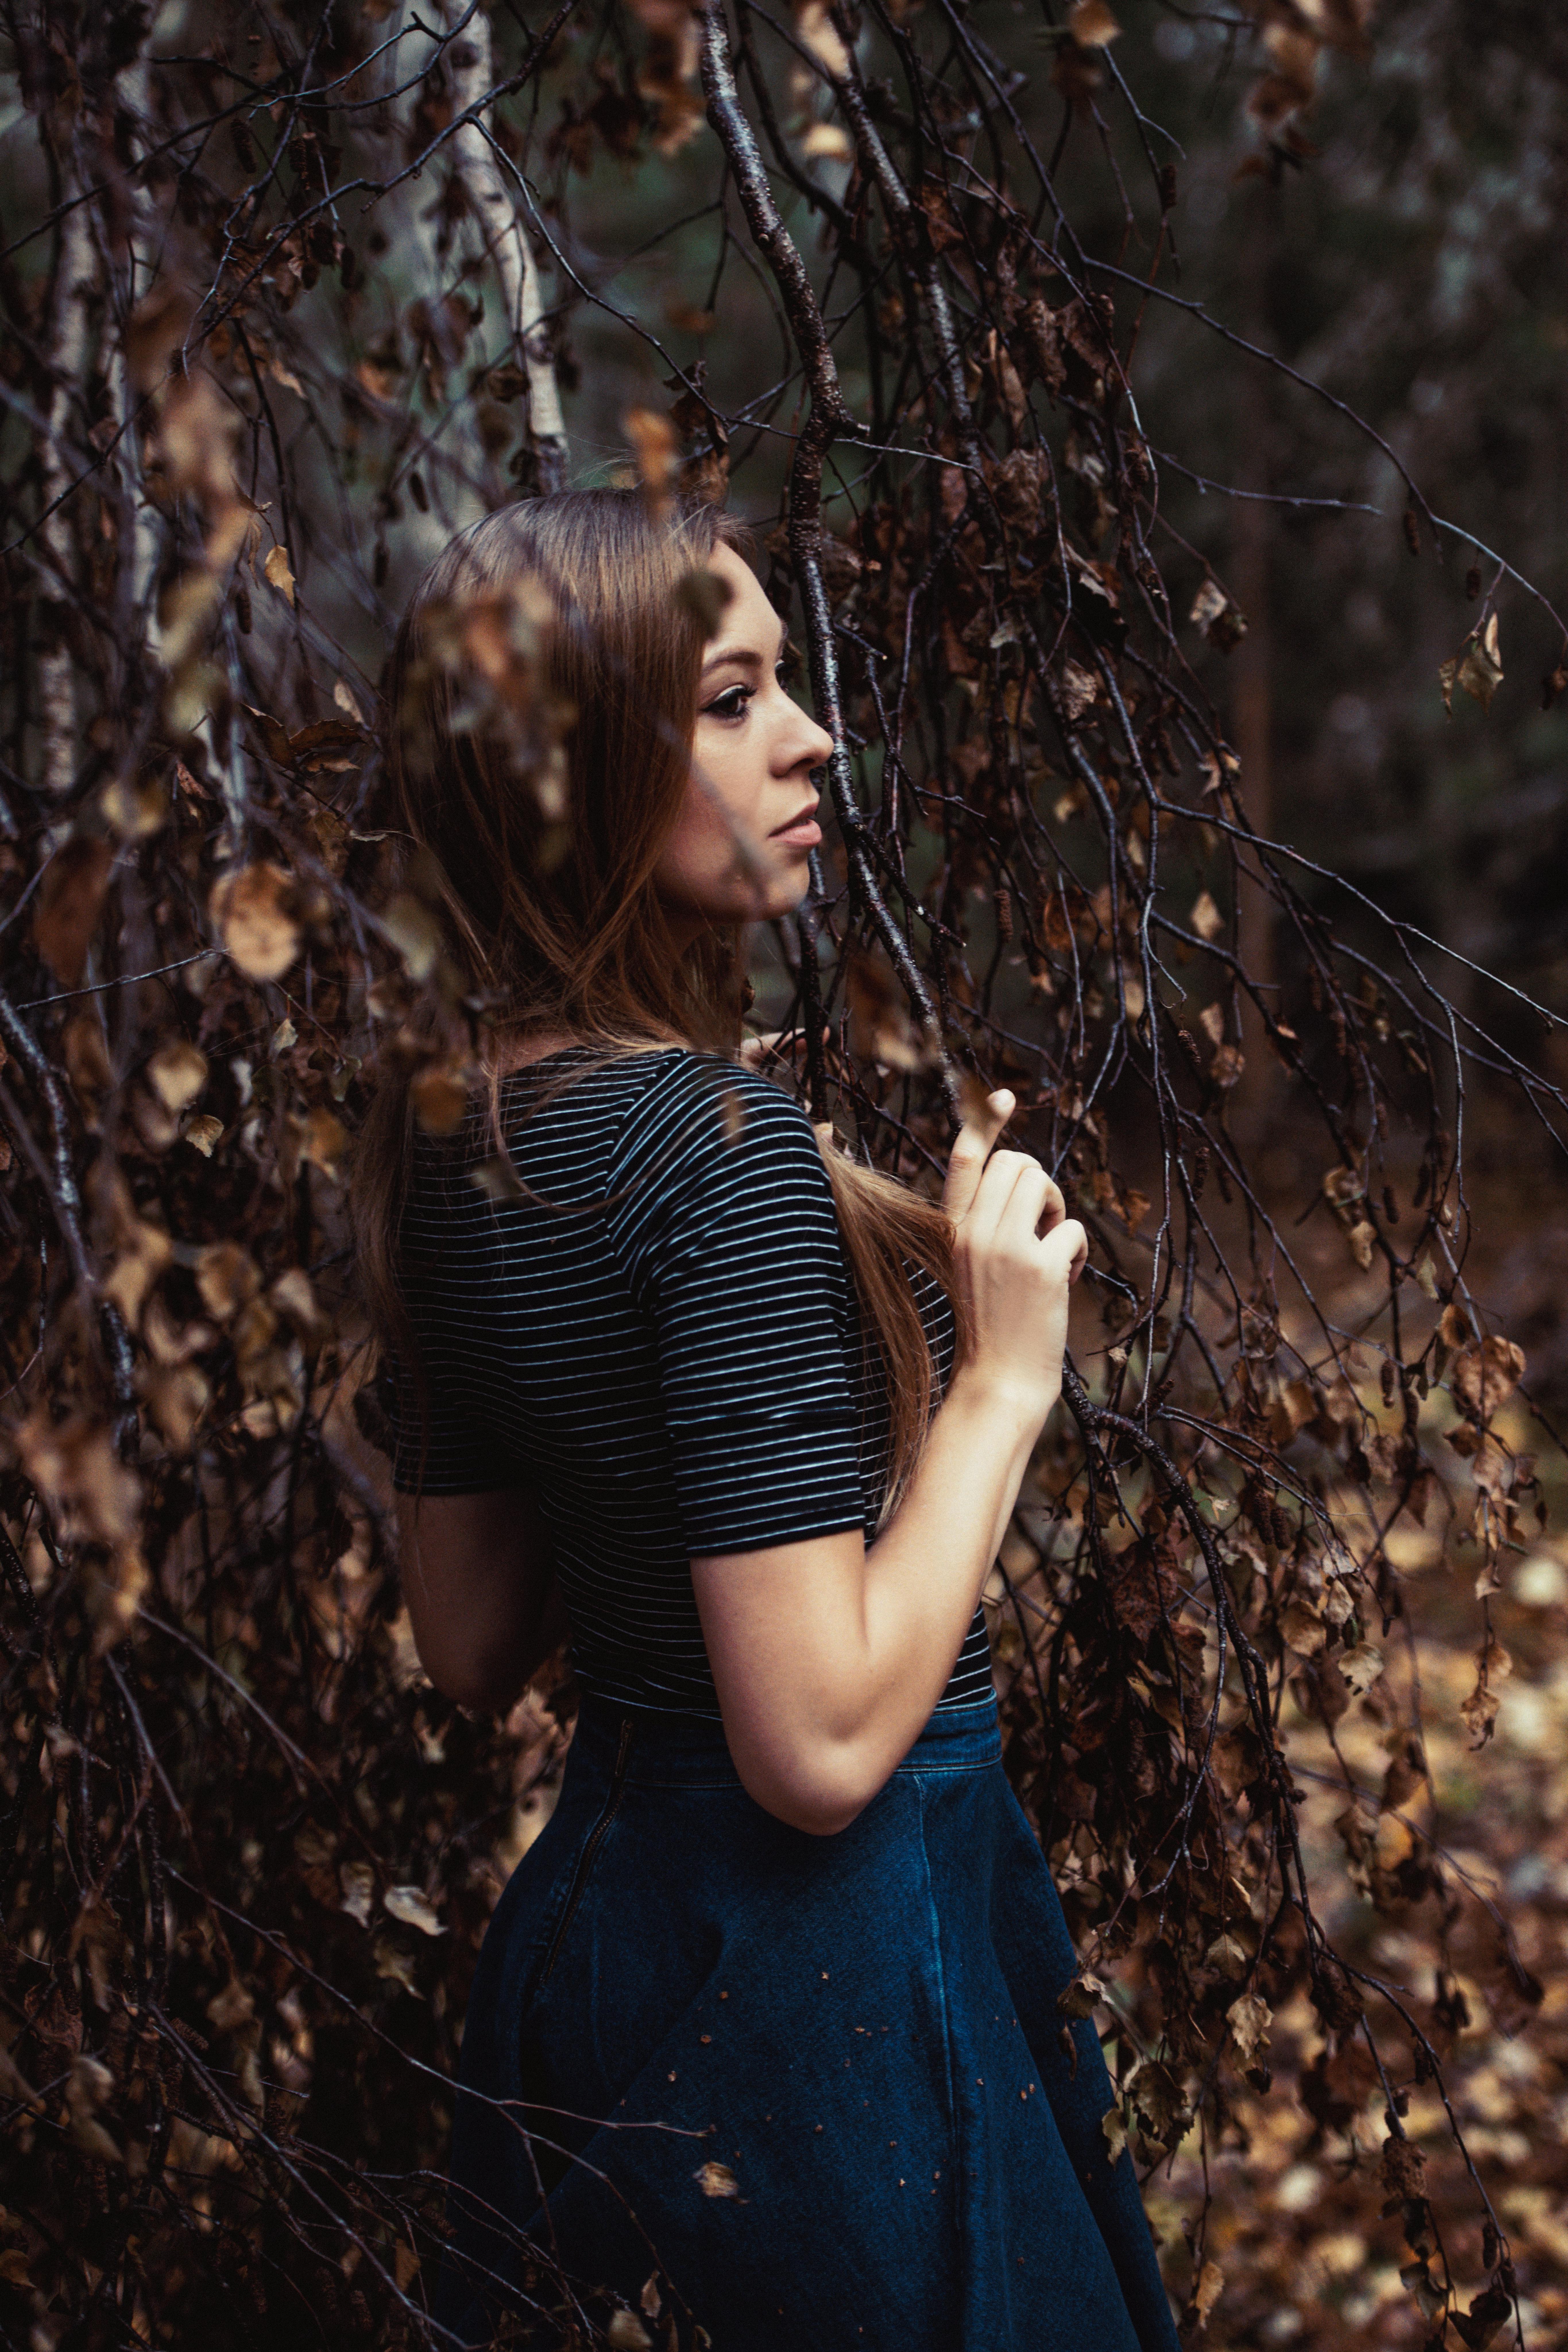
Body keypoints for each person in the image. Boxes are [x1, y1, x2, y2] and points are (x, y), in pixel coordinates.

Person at [354, 489, 1180, 2351]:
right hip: (820, 1990)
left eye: (787, 685)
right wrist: (998, 1379)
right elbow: (813, 1743)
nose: (811, 736)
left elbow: (471, 1642)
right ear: (566, 772)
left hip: (605, 1946)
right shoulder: (708, 1161)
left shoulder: (458, 1133)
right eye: (729, 698)